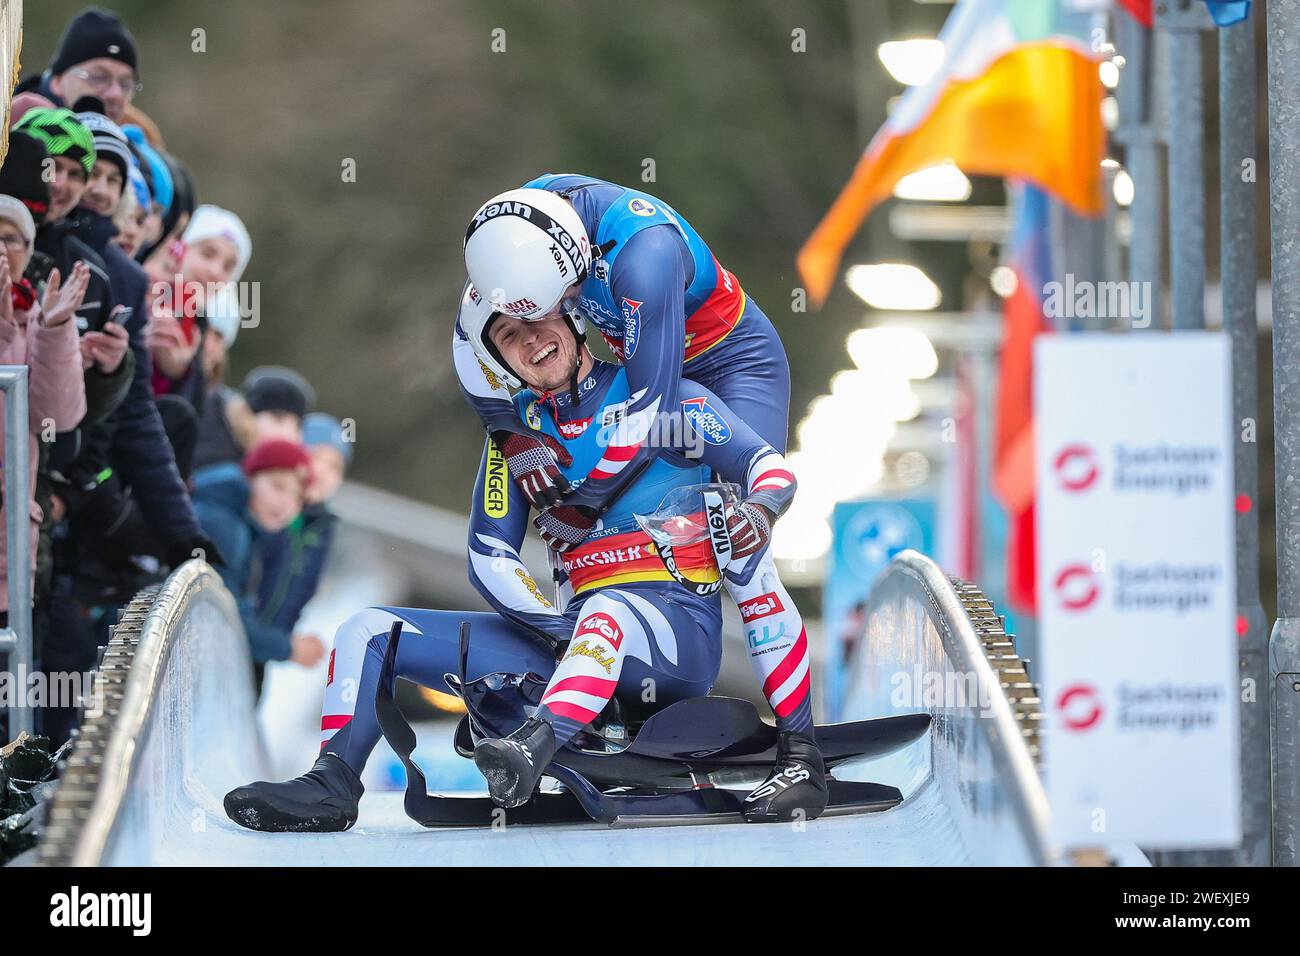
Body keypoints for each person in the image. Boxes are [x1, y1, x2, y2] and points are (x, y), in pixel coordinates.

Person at [224, 289, 825, 832]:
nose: (531, 340)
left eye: (535, 319)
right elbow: (488, 556)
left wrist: (761, 510)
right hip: (575, 636)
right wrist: (553, 625)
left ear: (574, 318)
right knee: (370, 629)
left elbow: (768, 468)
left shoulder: (667, 401)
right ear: (500, 361)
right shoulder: (516, 442)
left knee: (610, 614)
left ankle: (534, 749)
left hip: (673, 639)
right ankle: (332, 785)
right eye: (509, 336)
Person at [455, 175, 816, 749]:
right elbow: (466, 338)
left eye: (554, 307)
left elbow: (652, 410)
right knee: (632, 528)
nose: (540, 331)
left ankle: (801, 748)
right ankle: (616, 694)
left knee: (741, 548)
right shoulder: (517, 227)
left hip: (726, 364)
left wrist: (588, 501)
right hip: (644, 370)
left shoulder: (644, 252)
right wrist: (507, 433)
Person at [0, 196, 88, 619]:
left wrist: (54, 329)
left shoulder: (36, 318)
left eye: (12, 239)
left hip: (8, 559)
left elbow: (57, 417)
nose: (1, 249)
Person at [192, 439, 325, 675]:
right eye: (278, 486)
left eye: (297, 498)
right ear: (250, 478)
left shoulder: (248, 530)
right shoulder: (225, 529)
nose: (286, 503)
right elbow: (225, 619)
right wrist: (289, 648)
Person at [253, 413, 350, 657]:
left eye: (335, 466)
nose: (323, 472)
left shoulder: (322, 527)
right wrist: (286, 648)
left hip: (261, 657)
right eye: (316, 456)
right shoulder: (266, 508)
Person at [15, 7, 142, 125]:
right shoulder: (9, 131)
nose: (115, 94)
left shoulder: (138, 141)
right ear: (57, 81)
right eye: (99, 77)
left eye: (125, 84)